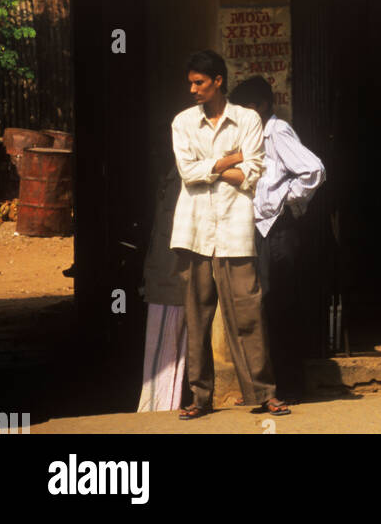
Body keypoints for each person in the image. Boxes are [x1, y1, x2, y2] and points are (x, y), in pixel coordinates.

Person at [169, 49, 289, 420]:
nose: (193, 89)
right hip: (194, 231)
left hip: (236, 232)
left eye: (199, 82)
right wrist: (227, 162)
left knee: (248, 313)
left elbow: (252, 174)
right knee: (197, 317)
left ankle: (263, 393)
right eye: (190, 83)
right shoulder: (183, 123)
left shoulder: (248, 119)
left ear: (218, 81)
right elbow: (187, 173)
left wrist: (214, 168)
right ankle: (199, 398)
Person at [229, 76, 325, 405]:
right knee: (262, 308)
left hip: (277, 231)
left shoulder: (276, 131)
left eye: (248, 109)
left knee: (279, 306)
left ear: (264, 107)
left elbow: (313, 170)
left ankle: (289, 386)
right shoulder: (249, 138)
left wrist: (287, 202)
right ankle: (269, 388)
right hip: (257, 230)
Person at [137, 164, 188, 413]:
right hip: (166, 277)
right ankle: (159, 406)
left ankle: (159, 408)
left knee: (167, 350)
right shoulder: (173, 176)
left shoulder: (183, 177)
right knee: (168, 349)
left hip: (172, 278)